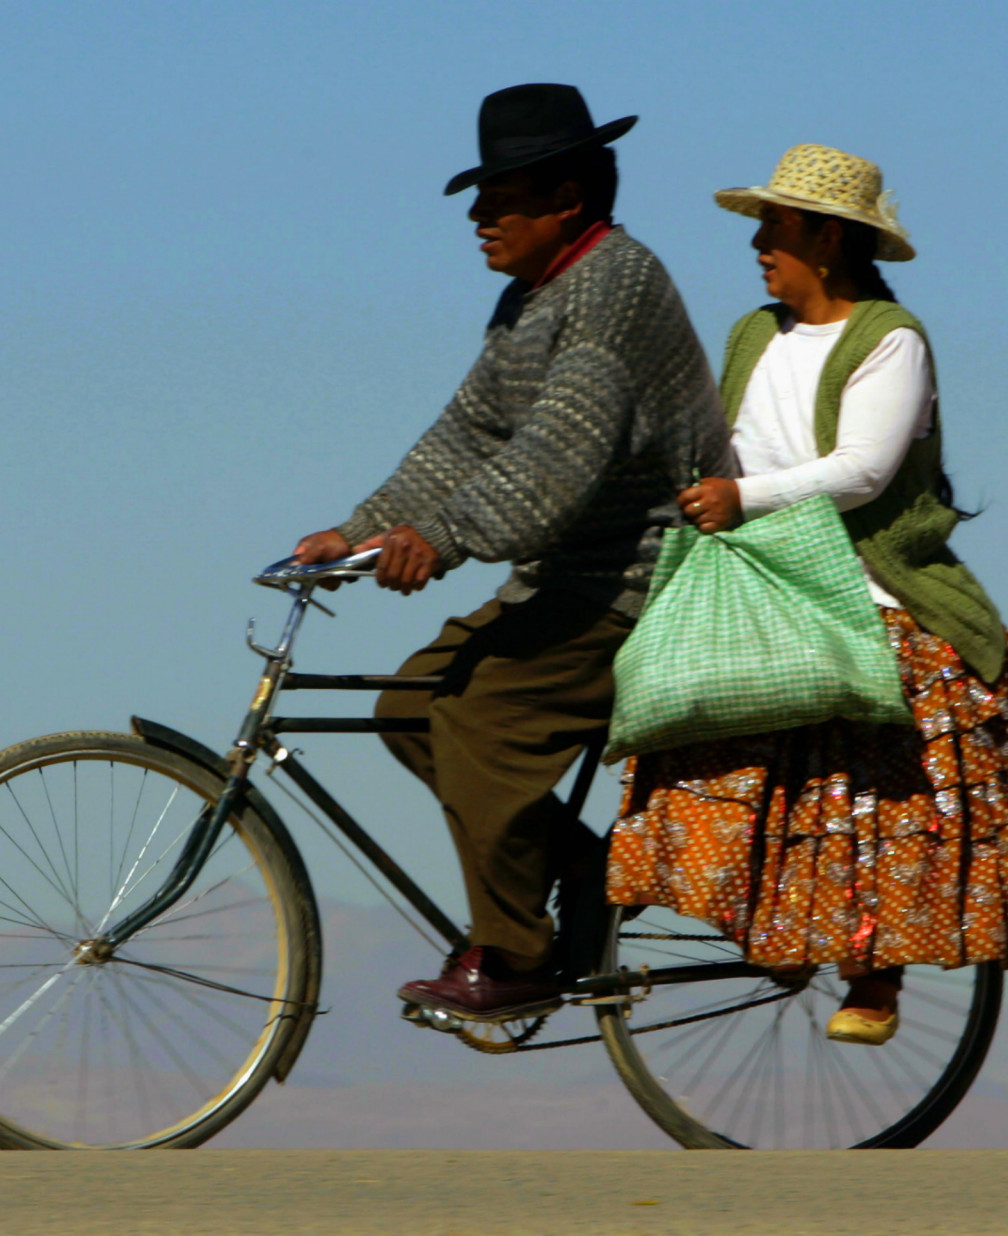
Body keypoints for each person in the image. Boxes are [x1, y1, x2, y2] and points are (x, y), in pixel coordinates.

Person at [607, 145, 1008, 1044]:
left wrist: (741, 498)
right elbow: (726, 444)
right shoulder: (750, 336)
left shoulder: (890, 338)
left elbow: (863, 472)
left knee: (875, 795)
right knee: (734, 770)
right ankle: (774, 930)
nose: (759, 241)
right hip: (761, 580)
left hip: (866, 582)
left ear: (829, 238)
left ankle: (873, 976)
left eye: (778, 223)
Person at [290, 83, 733, 1019]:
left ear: (567, 197)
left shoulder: (615, 287)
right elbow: (469, 435)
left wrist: (442, 539)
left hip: (643, 584)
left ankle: (519, 957)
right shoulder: (530, 299)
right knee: (412, 706)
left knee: (482, 724)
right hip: (566, 580)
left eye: (502, 197)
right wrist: (359, 528)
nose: (480, 216)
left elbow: (556, 456)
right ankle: (590, 880)